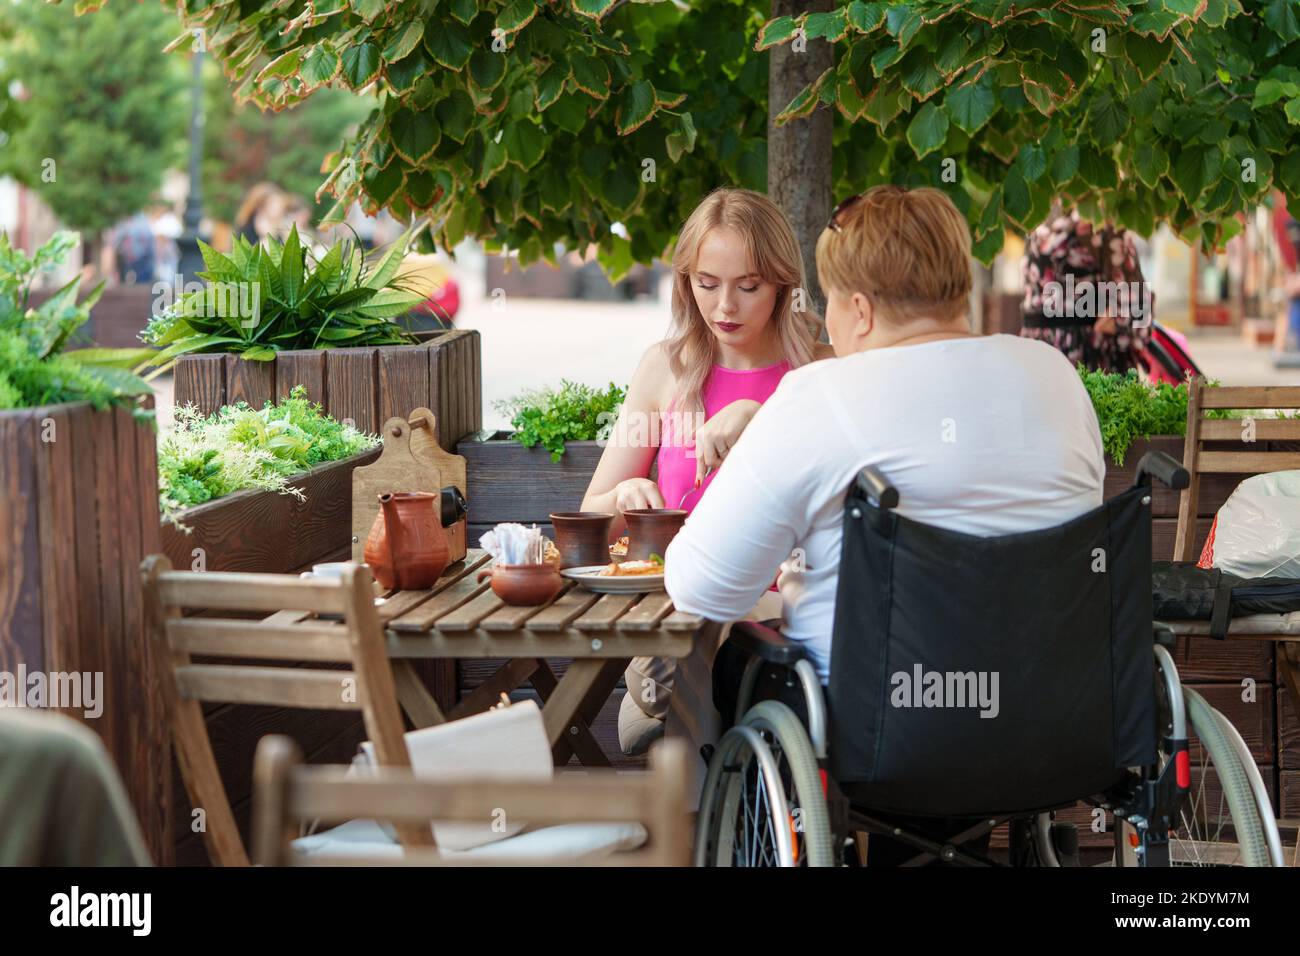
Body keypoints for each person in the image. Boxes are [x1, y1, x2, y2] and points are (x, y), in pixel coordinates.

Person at [663, 185, 1106, 863]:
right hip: (1059, 722)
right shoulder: (1055, 378)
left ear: (861, 310)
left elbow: (700, 588)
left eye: (830, 305)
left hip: (883, 734)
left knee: (740, 667)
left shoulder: (821, 396)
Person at [579, 187, 832, 757]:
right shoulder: (665, 368)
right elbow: (590, 516)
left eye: (748, 287)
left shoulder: (819, 367)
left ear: (782, 283)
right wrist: (626, 493)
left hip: (788, 614)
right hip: (685, 611)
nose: (724, 308)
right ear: (685, 281)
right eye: (706, 284)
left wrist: (760, 418)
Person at [1019, 207, 1151, 373]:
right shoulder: (1047, 211)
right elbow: (1139, 311)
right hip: (1051, 360)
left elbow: (1138, 309)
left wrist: (1115, 318)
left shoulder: (1094, 219)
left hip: (1077, 364)